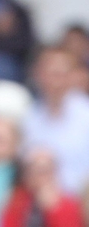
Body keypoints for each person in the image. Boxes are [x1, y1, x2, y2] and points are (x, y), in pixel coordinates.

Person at [23, 47, 89, 196]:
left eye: (62, 74)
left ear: (74, 76)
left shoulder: (86, 115)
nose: (57, 81)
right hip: (40, 201)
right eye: (52, 74)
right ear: (38, 75)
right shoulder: (29, 117)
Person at [0, 148, 85, 227]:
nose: (39, 176)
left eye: (44, 171)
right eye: (34, 170)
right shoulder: (17, 199)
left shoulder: (68, 204)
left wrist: (53, 211)